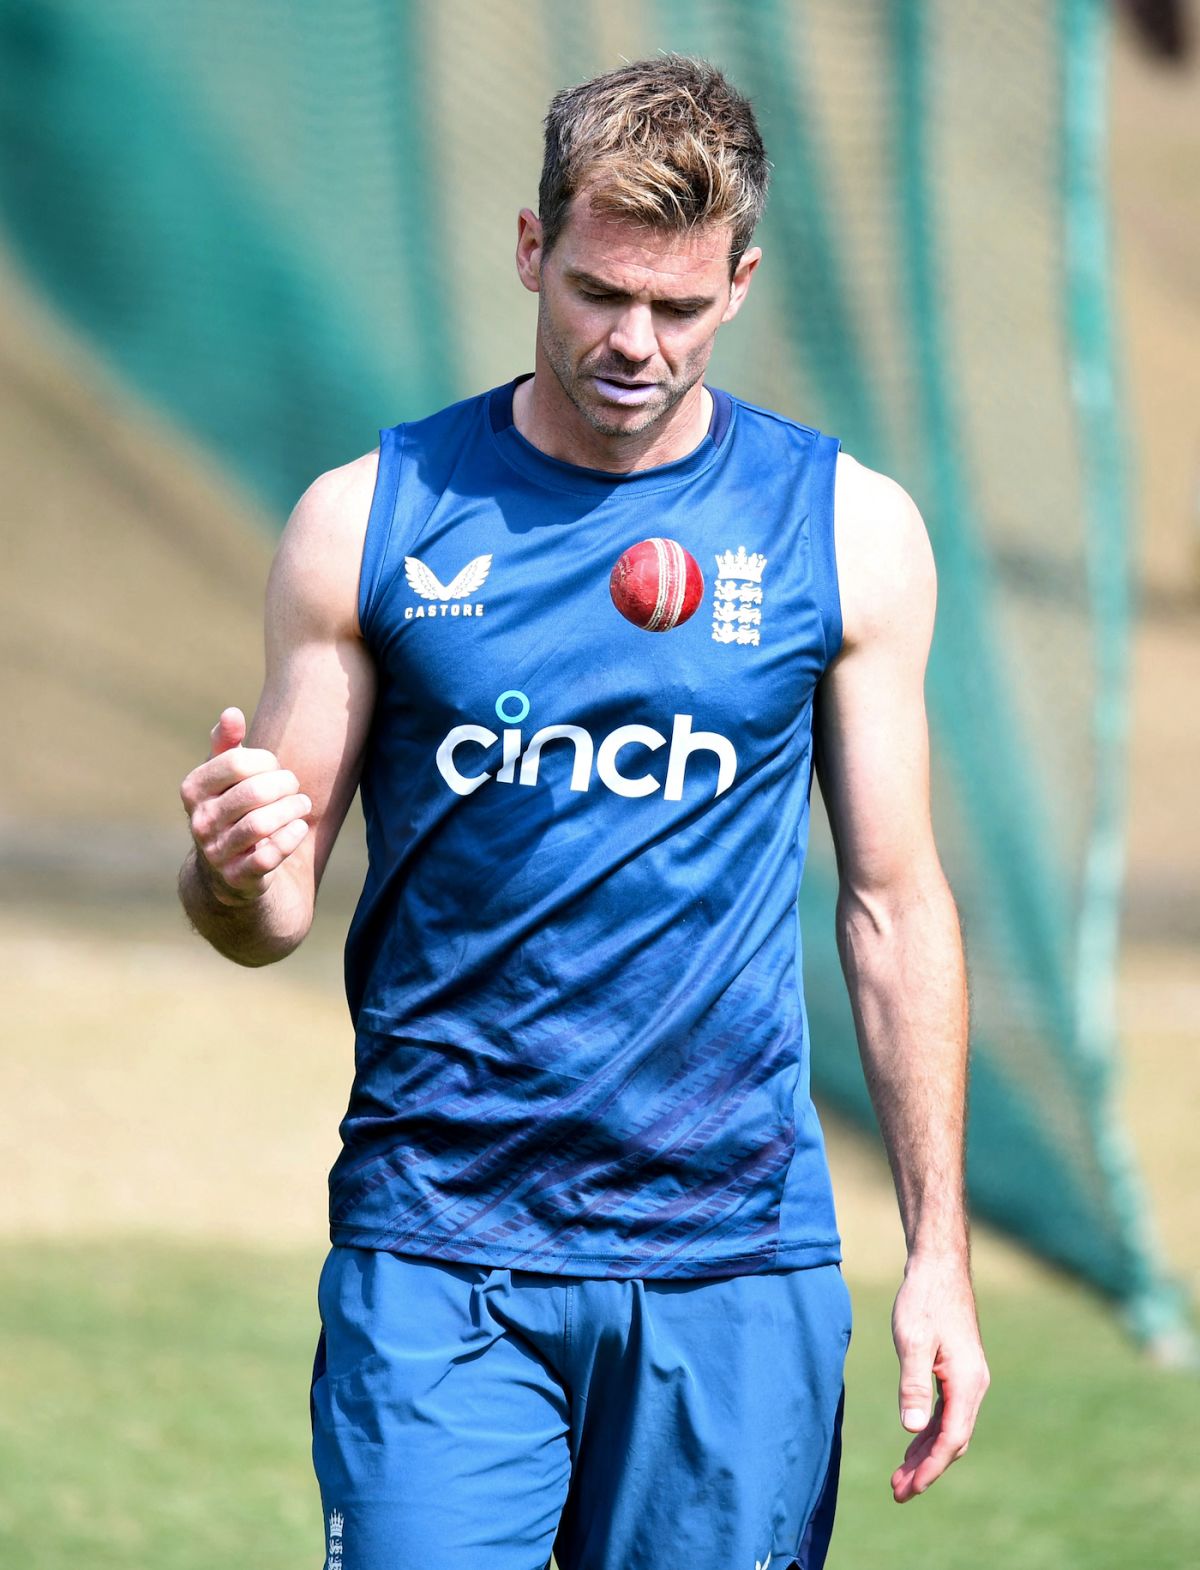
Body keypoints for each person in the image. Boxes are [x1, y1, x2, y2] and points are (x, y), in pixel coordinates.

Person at [178, 54, 988, 1570]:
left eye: (678, 308)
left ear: (740, 283)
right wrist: (233, 869)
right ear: (531, 248)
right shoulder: (371, 517)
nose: (633, 343)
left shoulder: (847, 533)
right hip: (439, 1244)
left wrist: (937, 1254)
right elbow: (263, 916)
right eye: (601, 291)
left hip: (732, 1259)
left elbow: (893, 903)